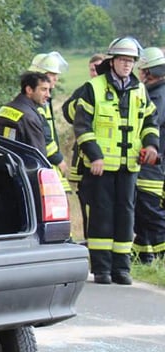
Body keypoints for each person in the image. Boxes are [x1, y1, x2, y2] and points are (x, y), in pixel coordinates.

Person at [72, 37, 160, 284]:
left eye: (131, 61)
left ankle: (122, 269)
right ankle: (101, 268)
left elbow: (150, 122)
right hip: (100, 168)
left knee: (126, 215)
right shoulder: (94, 88)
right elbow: (82, 126)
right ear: (112, 62)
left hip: (129, 165)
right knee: (102, 215)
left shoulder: (139, 90)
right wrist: (95, 156)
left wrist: (151, 145)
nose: (127, 65)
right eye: (123, 60)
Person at [64, 53, 106, 241]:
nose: (95, 71)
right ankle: (89, 241)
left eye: (98, 67)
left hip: (107, 158)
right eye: (92, 68)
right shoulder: (84, 90)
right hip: (83, 158)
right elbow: (68, 112)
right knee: (85, 201)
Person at [134, 47, 165, 263]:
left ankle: (162, 256)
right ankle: (142, 257)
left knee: (151, 212)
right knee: (143, 213)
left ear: (147, 72)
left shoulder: (156, 96)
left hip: (152, 166)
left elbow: (148, 124)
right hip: (154, 164)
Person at [27, 52, 70, 181]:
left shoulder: (43, 100)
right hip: (44, 164)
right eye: (53, 74)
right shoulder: (37, 103)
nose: (56, 78)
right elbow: (44, 137)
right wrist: (59, 160)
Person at [0, 72, 53, 150]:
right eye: (44, 89)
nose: (48, 95)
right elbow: (37, 155)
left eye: (49, 90)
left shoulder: (4, 109)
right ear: (29, 90)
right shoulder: (28, 117)